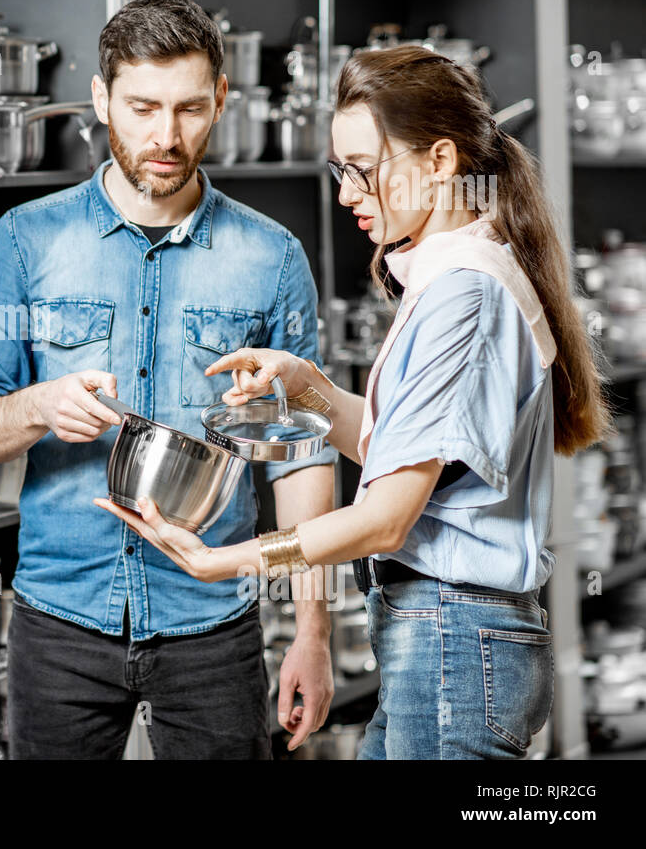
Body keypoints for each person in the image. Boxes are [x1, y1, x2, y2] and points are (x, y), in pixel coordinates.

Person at [97, 44, 610, 759]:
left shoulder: (462, 292)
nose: (346, 194)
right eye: (341, 171)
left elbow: (387, 518)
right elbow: (402, 453)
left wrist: (233, 560)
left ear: (439, 161)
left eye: (364, 171)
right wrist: (306, 384)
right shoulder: (458, 270)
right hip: (441, 639)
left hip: (452, 643)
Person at [0, 0, 338, 759]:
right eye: (142, 107)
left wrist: (312, 631)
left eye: (190, 108)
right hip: (58, 625)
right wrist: (37, 405)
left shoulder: (273, 258)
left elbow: (303, 462)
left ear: (222, 98)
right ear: (101, 99)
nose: (166, 136)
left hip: (215, 626)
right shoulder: (25, 240)